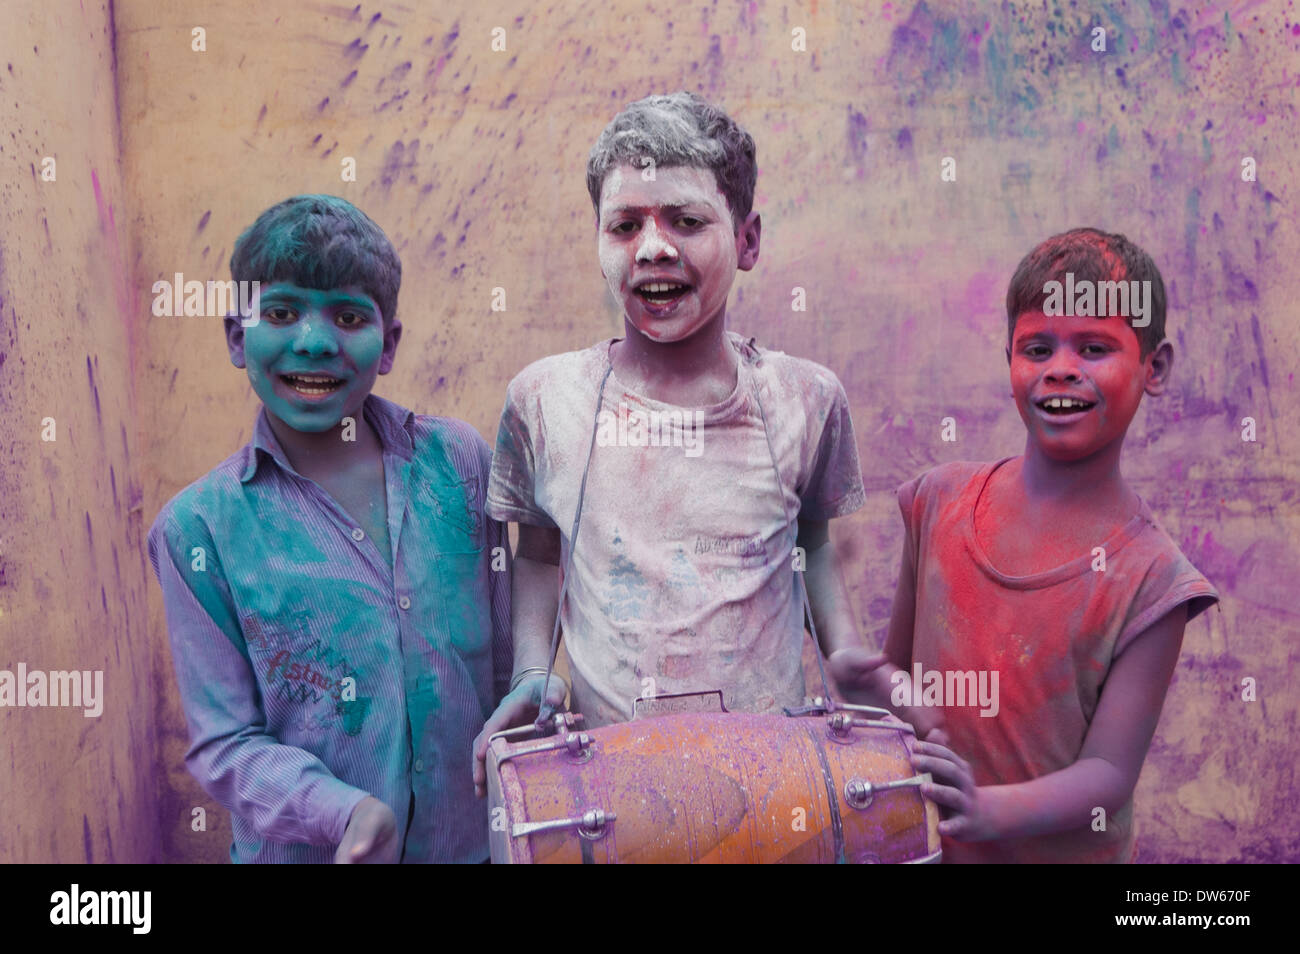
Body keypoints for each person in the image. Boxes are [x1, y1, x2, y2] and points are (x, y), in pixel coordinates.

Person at [473, 91, 871, 795]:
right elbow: (538, 551)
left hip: (775, 782)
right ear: (598, 239)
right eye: (625, 225)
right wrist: (533, 674)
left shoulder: (805, 401)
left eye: (687, 221)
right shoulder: (544, 401)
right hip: (614, 789)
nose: (654, 248)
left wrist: (846, 656)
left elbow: (814, 549)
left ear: (747, 241)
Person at [835, 227, 1219, 862]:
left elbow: (1108, 776)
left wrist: (986, 810)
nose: (1061, 368)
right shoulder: (937, 505)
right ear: (1008, 358)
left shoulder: (1152, 579)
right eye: (1037, 347)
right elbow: (902, 683)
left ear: (1155, 367)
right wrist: (879, 695)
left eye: (1094, 347)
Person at [148, 195, 511, 862]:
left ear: (389, 343)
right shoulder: (199, 529)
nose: (314, 341)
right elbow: (223, 743)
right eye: (282, 312)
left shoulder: (458, 465)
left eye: (348, 316)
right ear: (237, 337)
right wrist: (341, 811)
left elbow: (505, 662)